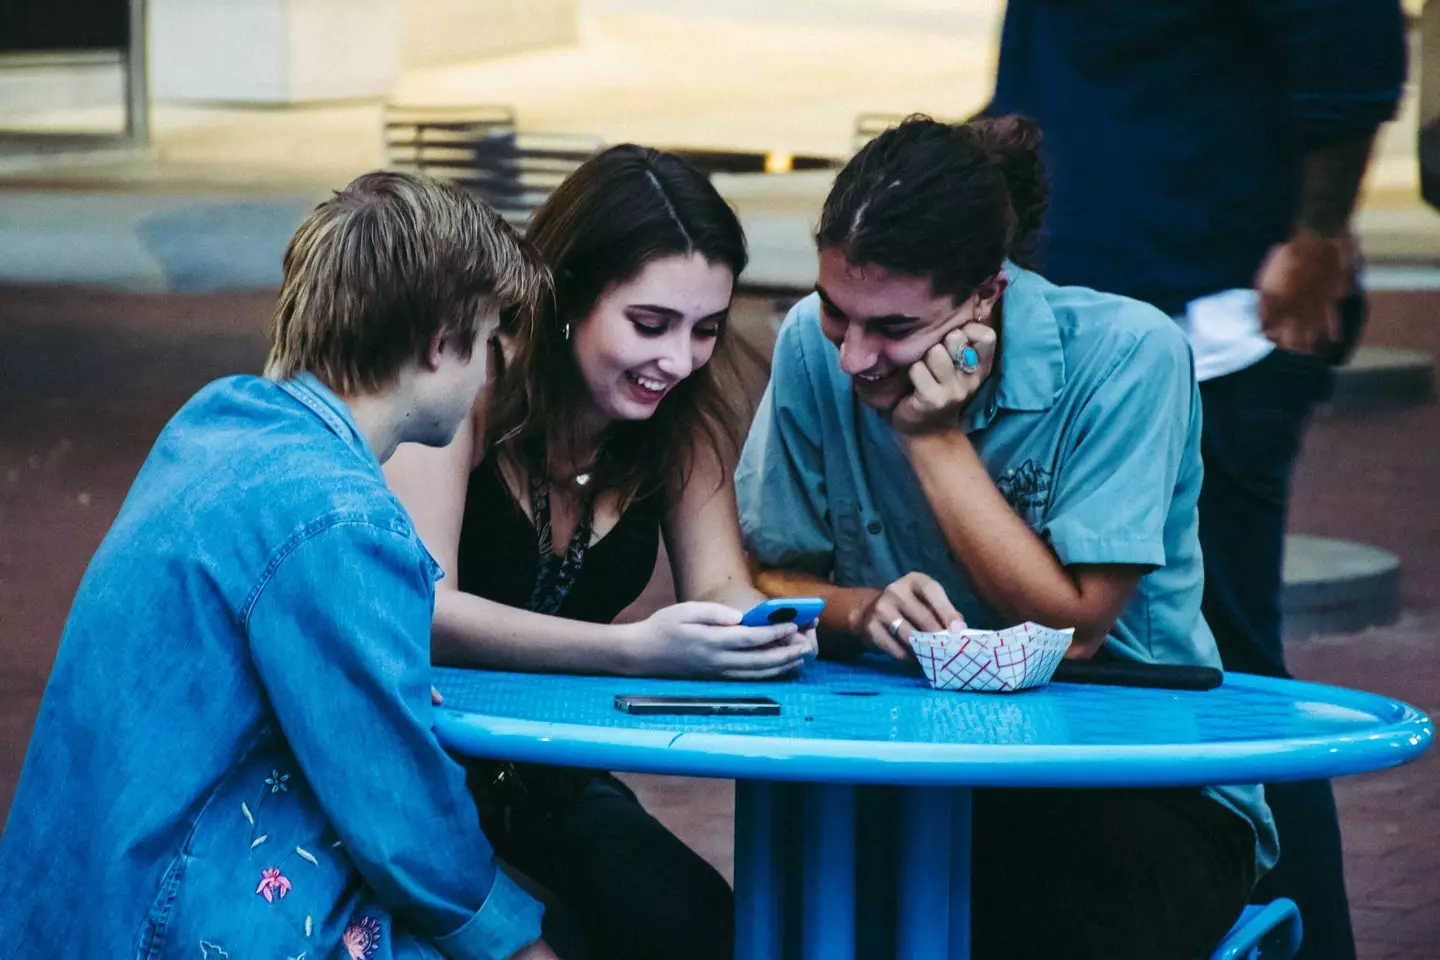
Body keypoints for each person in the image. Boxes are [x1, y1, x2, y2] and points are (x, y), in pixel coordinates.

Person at [735, 115, 1275, 959]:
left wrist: (930, 439)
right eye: (840, 312)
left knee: (998, 911)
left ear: (988, 292)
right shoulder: (812, 342)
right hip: (901, 767)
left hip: (1136, 782)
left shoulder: (1130, 354)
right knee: (797, 898)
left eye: (894, 329)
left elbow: (1078, 629)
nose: (854, 357)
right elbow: (760, 575)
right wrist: (861, 611)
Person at [0, 172, 558, 960]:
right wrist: (517, 943)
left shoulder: (222, 419)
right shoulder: (342, 518)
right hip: (181, 913)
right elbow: (402, 815)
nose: (488, 375)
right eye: (491, 341)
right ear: (440, 344)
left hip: (75, 898)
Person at [985, 5, 1408, 956]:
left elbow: (1351, 54)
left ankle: (1302, 941)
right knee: (1114, 665)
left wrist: (1314, 238)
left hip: (1214, 324)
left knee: (1225, 666)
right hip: (1068, 311)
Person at [384, 144, 815, 960]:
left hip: (553, 775)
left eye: (706, 330)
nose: (679, 361)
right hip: (419, 770)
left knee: (695, 925)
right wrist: (631, 651)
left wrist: (759, 628)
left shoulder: (683, 418)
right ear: (567, 296)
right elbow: (423, 605)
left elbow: (721, 579)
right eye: (650, 325)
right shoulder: (467, 384)